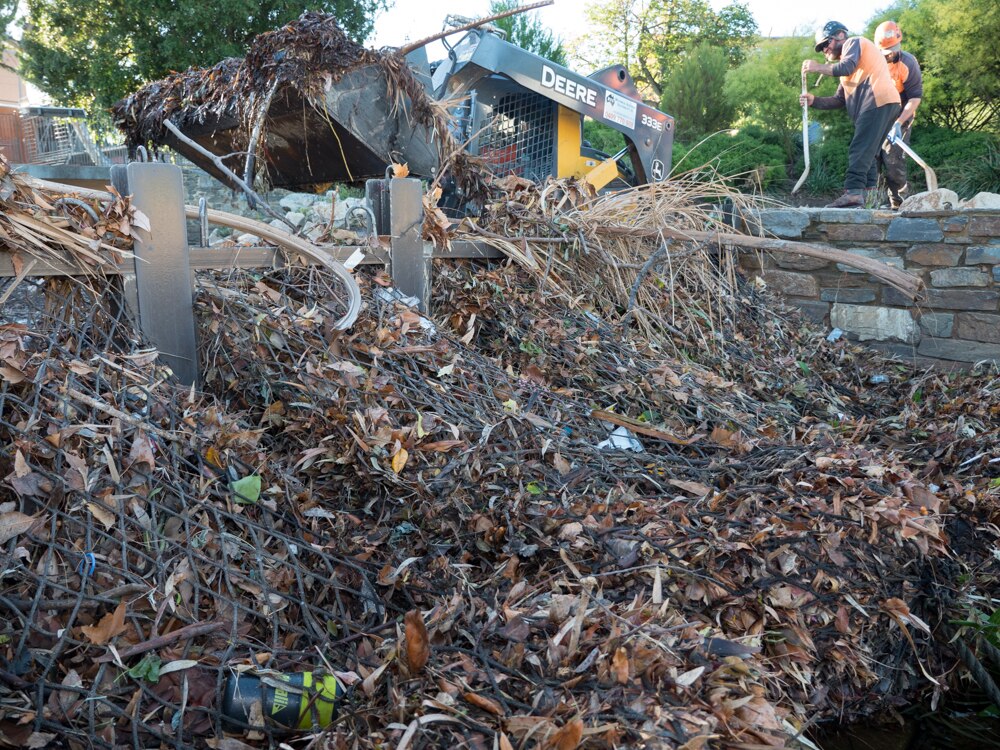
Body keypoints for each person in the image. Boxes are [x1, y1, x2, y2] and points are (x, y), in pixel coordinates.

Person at [799, 21, 901, 208]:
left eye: (826, 43)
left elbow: (845, 66)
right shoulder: (851, 68)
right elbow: (839, 99)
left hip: (877, 100)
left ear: (840, 35)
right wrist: (814, 101)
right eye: (821, 48)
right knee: (869, 153)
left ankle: (853, 193)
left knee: (859, 149)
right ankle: (869, 196)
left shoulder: (853, 43)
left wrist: (817, 67)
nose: (824, 50)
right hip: (887, 103)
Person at [874, 20, 923, 209]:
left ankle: (898, 204)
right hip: (877, 115)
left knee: (893, 160)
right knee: (871, 160)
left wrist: (898, 122)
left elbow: (915, 98)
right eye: (886, 51)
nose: (890, 54)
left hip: (901, 116)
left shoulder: (908, 62)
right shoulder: (872, 64)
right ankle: (871, 202)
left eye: (893, 49)